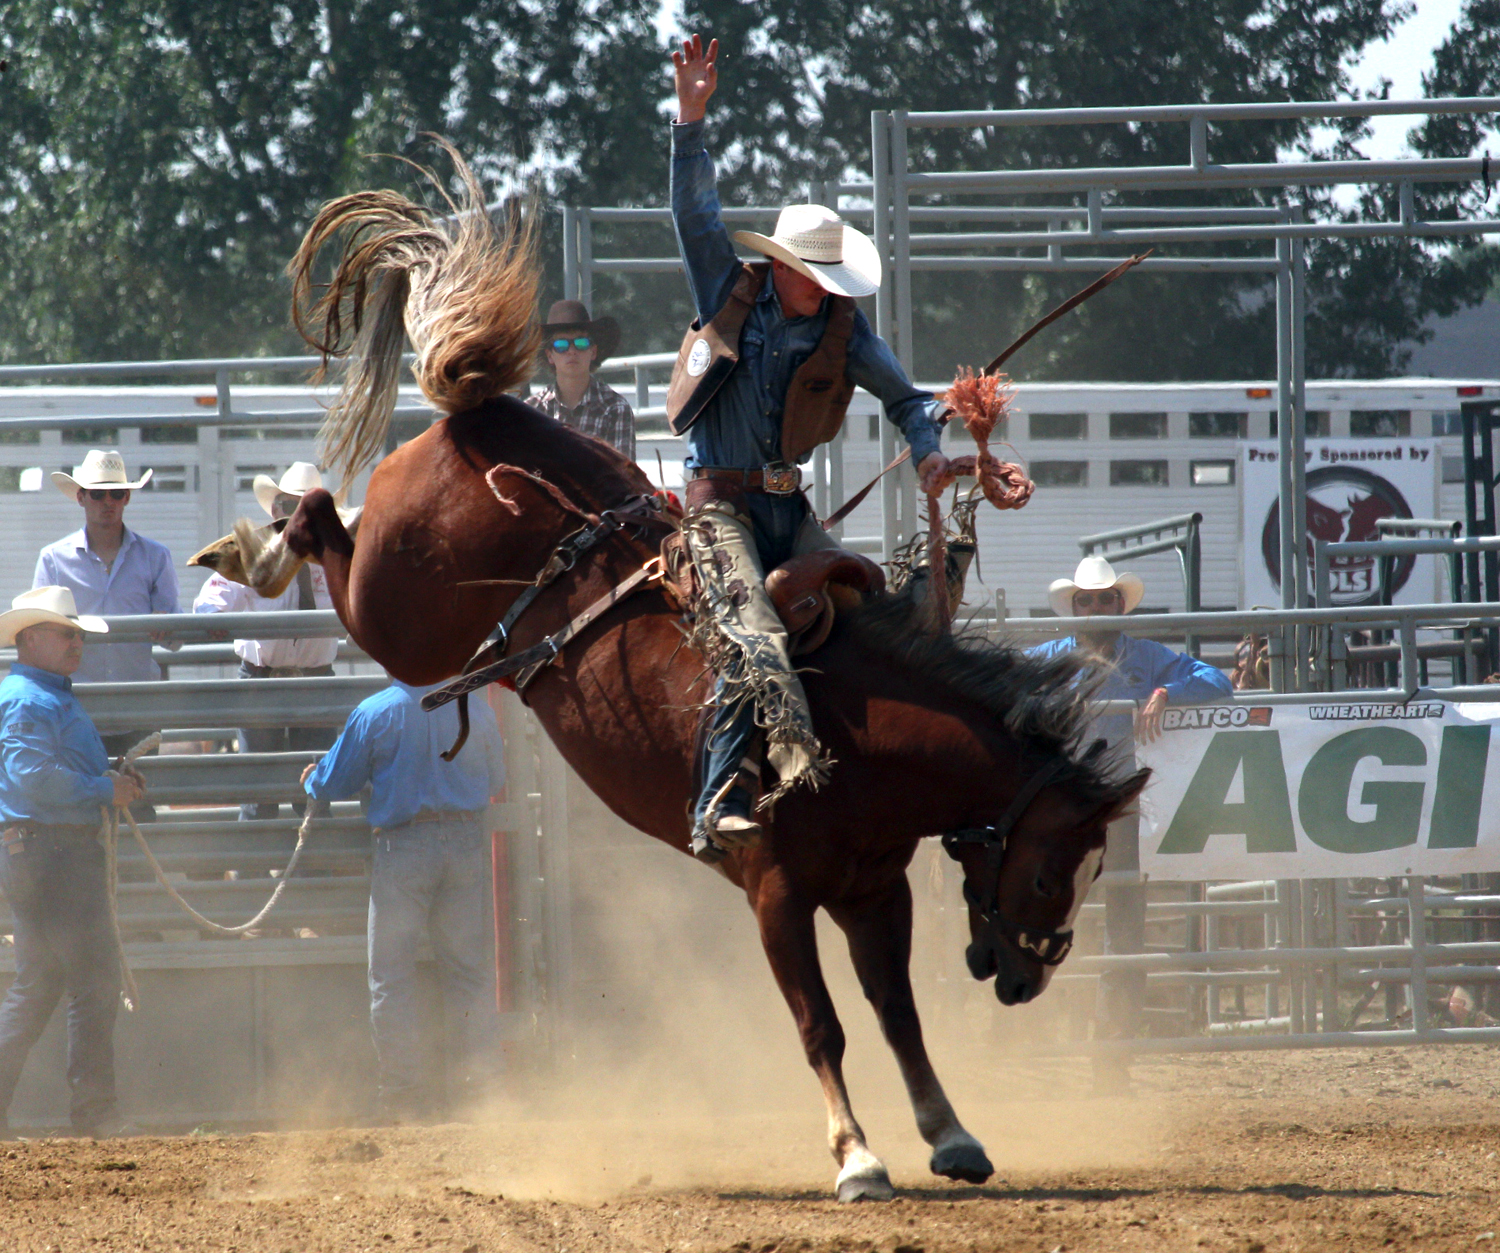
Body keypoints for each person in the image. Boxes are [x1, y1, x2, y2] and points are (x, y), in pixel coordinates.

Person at [668, 34, 954, 862]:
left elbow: (907, 397)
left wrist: (929, 450)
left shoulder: (842, 328)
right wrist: (692, 120)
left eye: (832, 280)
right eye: (816, 275)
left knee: (873, 605)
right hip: (719, 502)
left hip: (786, 505)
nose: (826, 289)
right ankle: (721, 793)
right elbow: (695, 215)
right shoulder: (728, 288)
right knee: (751, 630)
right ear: (786, 267)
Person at [1027, 556, 1233, 1093]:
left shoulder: (1147, 660)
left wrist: (1166, 692)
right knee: (1053, 921)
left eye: (1104, 599)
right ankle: (1046, 1042)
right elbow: (999, 684)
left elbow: (1216, 681)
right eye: (1087, 600)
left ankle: (1110, 1056)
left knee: (1121, 929)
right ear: (1075, 607)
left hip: (1119, 811)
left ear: (1120, 605)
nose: (1096, 607)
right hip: (1066, 812)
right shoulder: (1049, 657)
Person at [301, 678, 506, 1123]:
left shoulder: (378, 711)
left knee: (391, 977)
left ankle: (402, 1096)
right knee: (469, 974)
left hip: (404, 848)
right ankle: (482, 1094)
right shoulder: (474, 705)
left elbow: (334, 782)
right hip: (465, 842)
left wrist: (312, 781)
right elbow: (497, 777)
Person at [0, 587, 148, 1139]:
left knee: (39, 984)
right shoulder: (31, 700)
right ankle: (96, 1112)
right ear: (31, 637)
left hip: (42, 852)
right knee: (92, 980)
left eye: (78, 633)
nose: (77, 642)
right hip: (55, 854)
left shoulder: (40, 697)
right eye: (68, 633)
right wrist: (101, 789)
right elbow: (32, 778)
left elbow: (42, 771)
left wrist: (108, 781)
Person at [34, 450, 179, 819]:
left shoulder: (156, 557)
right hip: (78, 710)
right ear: (81, 497)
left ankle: (134, 877)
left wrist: (166, 624)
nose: (107, 503)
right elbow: (39, 635)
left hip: (136, 708)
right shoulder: (53, 559)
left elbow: (175, 636)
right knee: (84, 813)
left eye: (116, 494)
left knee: (139, 809)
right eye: (98, 494)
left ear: (127, 497)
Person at [193, 462, 339, 820]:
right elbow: (208, 604)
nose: (299, 518)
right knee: (260, 795)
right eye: (291, 507)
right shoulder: (251, 550)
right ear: (275, 509)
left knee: (316, 794)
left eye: (310, 509)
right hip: (263, 678)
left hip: (314, 678)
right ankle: (255, 871)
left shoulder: (337, 556)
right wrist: (215, 620)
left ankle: (310, 870)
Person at [526, 299, 636, 460]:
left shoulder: (615, 409)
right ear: (550, 355)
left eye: (581, 343)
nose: (572, 351)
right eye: (561, 345)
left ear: (593, 351)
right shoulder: (532, 410)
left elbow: (625, 479)